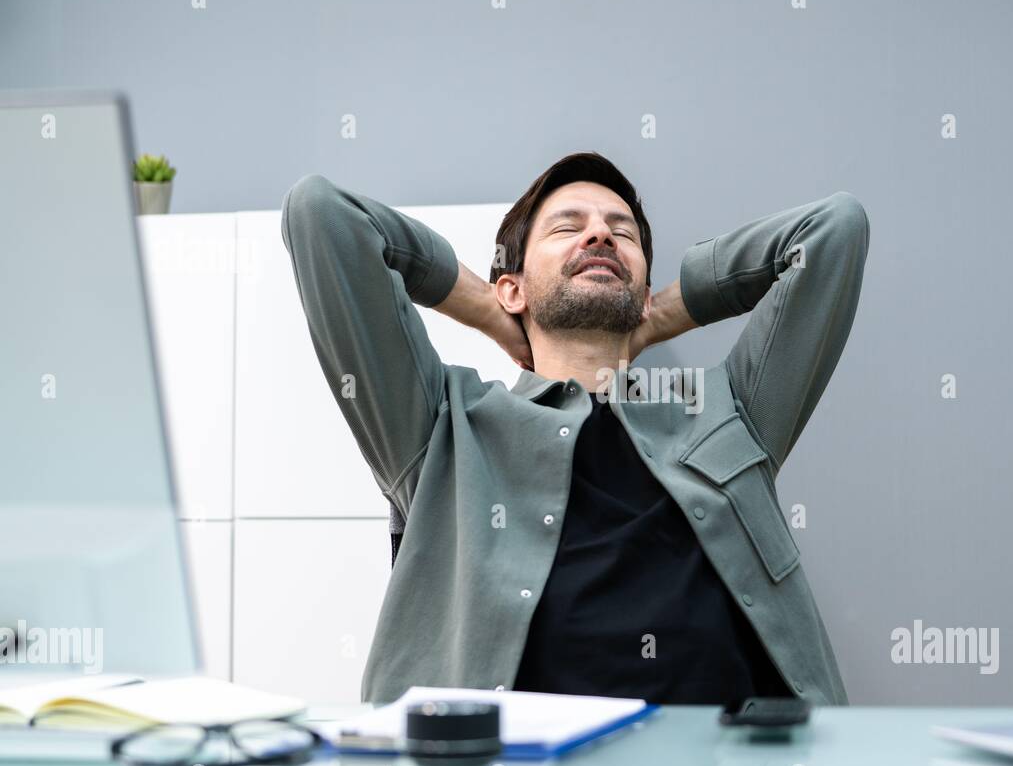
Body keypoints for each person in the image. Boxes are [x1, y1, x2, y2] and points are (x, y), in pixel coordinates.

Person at [279, 152, 869, 705]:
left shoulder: (726, 407)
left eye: (623, 232)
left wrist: (661, 313)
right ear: (513, 287)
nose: (600, 235)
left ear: (641, 294)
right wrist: (488, 306)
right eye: (567, 227)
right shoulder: (441, 424)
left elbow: (832, 232)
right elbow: (321, 215)